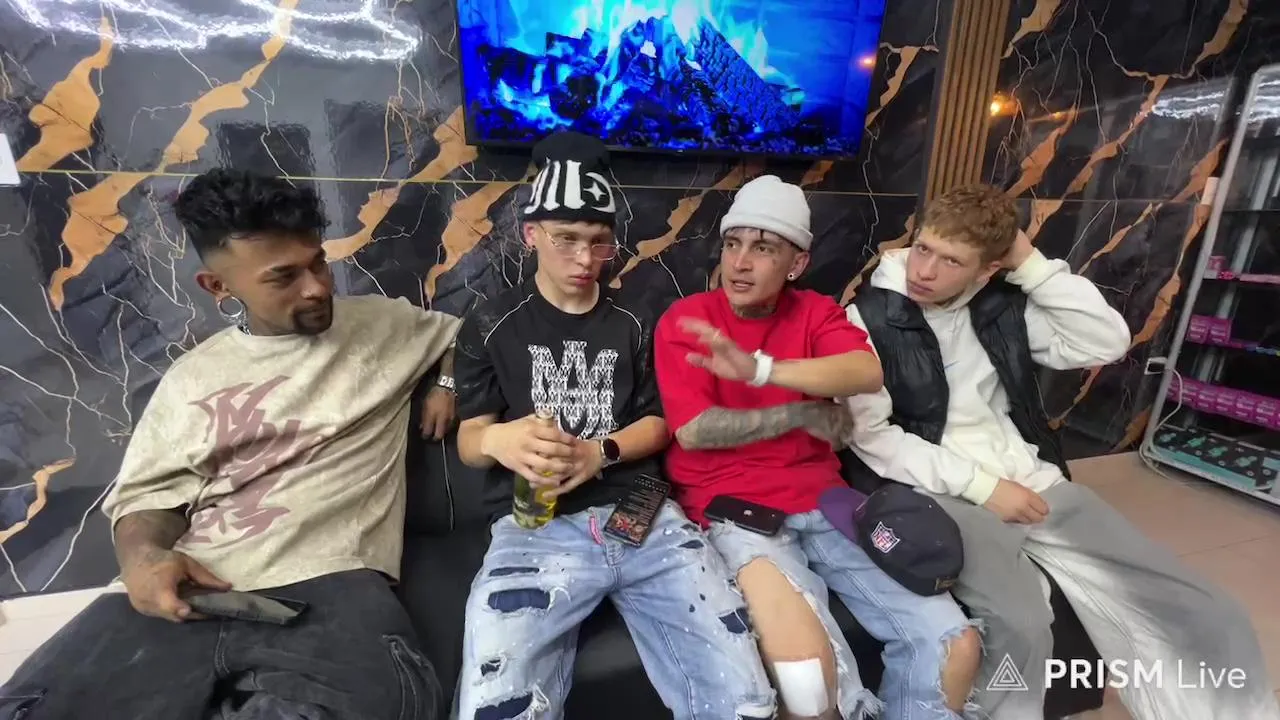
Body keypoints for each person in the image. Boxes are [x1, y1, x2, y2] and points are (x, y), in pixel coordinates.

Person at [0, 170, 461, 720]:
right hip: (192, 583)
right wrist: (145, 560)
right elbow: (147, 498)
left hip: (331, 580)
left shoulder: (384, 326)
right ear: (218, 287)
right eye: (283, 277)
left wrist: (447, 382)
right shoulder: (192, 379)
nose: (317, 287)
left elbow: (473, 332)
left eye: (317, 263)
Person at [840, 184, 1280, 720]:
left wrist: (1031, 264)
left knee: (1204, 607)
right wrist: (984, 487)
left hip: (1031, 478)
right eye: (924, 249)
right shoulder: (870, 317)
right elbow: (871, 436)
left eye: (951, 261)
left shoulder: (1000, 307)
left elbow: (1105, 341)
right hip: (937, 486)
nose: (925, 271)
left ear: (989, 269)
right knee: (1022, 623)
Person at [451, 132, 776, 720]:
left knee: (743, 697)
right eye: (566, 239)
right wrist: (500, 438)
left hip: (642, 509)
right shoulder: (491, 322)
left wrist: (598, 452)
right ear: (531, 234)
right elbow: (470, 440)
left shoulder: (637, 318)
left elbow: (659, 423)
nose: (584, 259)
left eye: (598, 242)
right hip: (536, 524)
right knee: (497, 703)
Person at [654, 175, 982, 720]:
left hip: (827, 501)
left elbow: (864, 371)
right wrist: (800, 413)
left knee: (955, 645)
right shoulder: (690, 320)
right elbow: (694, 431)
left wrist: (761, 371)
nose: (740, 263)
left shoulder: (815, 312)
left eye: (764, 248)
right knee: (807, 680)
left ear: (797, 263)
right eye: (733, 244)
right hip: (733, 509)